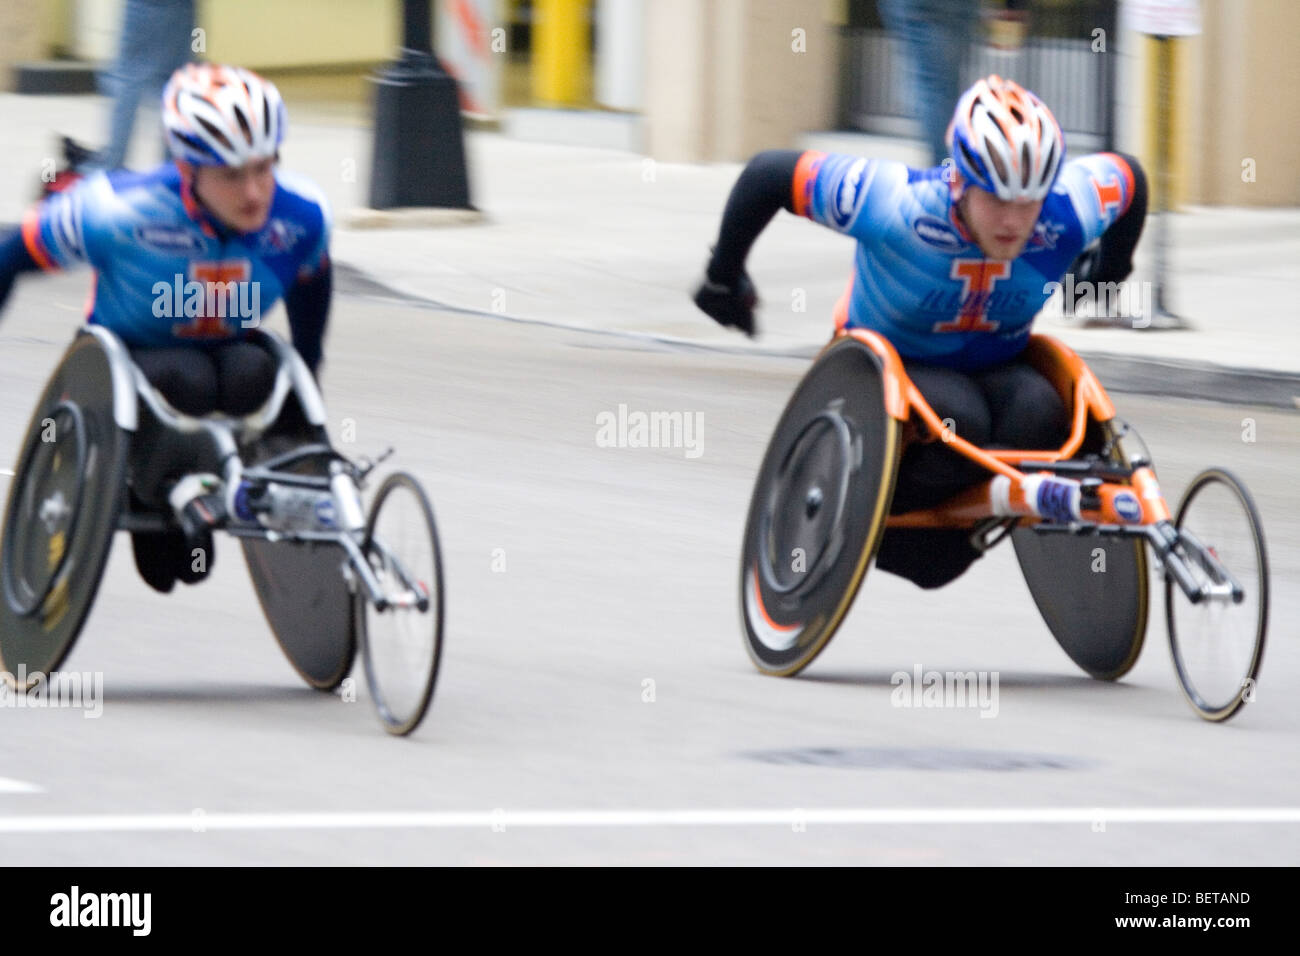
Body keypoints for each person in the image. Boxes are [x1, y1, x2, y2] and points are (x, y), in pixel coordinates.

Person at [694, 74, 1147, 588]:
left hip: (996, 363)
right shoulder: (893, 203)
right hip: (891, 364)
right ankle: (876, 525)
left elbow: (1130, 178)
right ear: (960, 183)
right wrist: (722, 276)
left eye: (1029, 203)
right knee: (961, 419)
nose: (1013, 221)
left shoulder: (1068, 210)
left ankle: (952, 533)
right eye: (996, 200)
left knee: (1044, 414)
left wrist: (1108, 278)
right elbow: (769, 175)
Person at [0, 62, 334, 593]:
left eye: (264, 168)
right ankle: (162, 492)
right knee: (188, 378)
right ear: (188, 169)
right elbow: (12, 252)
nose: (253, 193)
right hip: (135, 365)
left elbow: (313, 283)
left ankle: (201, 486)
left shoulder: (301, 217)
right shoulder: (118, 210)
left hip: (228, 357)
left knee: (255, 372)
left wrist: (310, 370)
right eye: (231, 175)